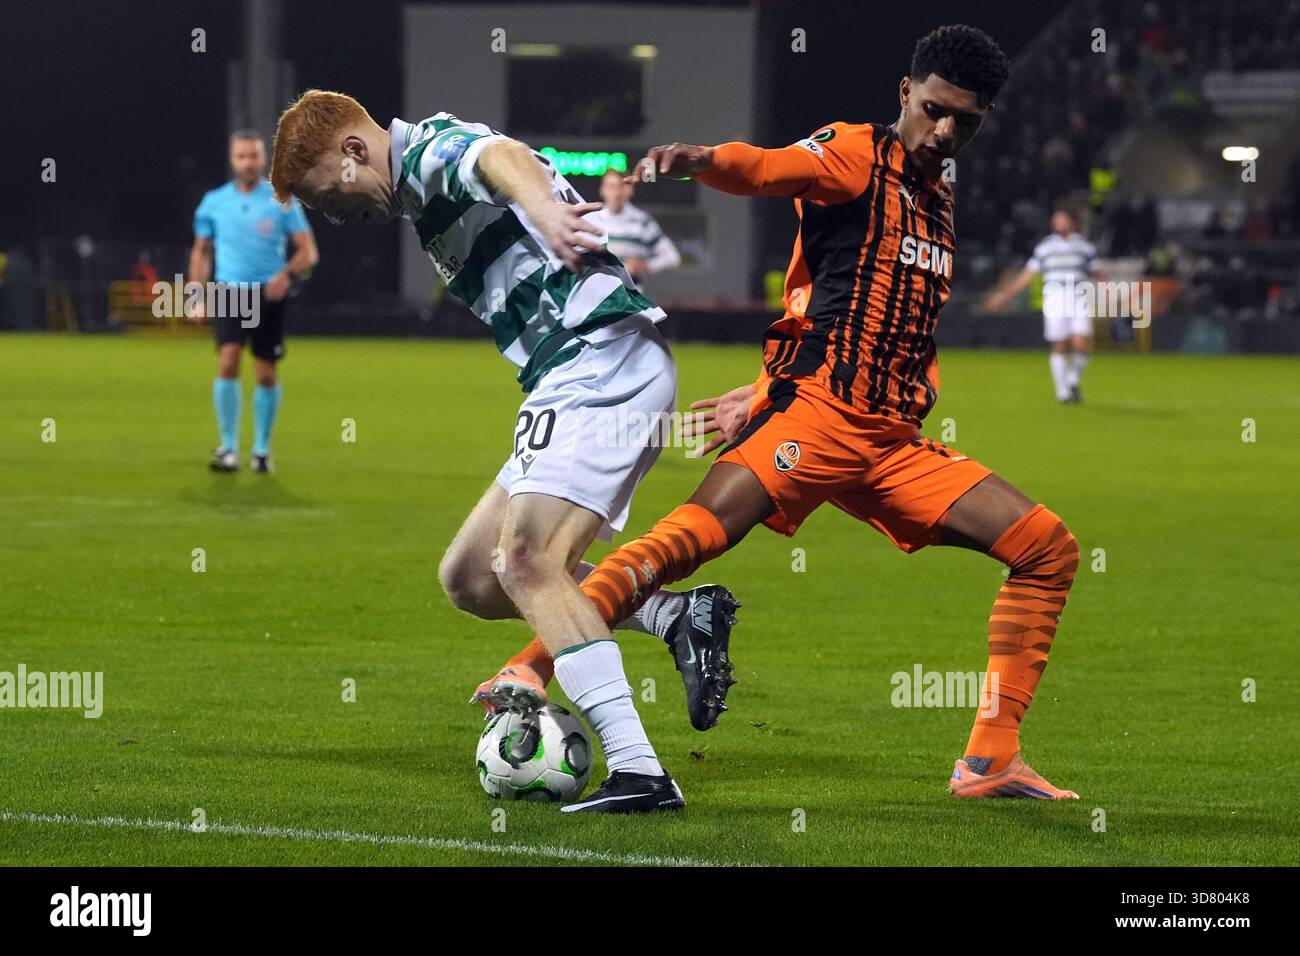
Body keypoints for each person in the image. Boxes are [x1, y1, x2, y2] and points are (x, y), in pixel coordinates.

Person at [486, 24, 1082, 801]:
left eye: (964, 120)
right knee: (685, 542)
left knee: (1047, 548)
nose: (945, 130)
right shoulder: (854, 152)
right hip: (821, 418)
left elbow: (862, 307)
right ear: (906, 92)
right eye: (935, 109)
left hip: (889, 440)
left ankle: (989, 759)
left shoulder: (940, 189)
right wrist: (704, 161)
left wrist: (764, 388)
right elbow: (769, 169)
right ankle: (529, 664)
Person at [269, 90, 740, 814]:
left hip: (597, 359)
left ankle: (640, 773)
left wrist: (546, 209)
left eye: (327, 195)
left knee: (526, 562)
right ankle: (675, 617)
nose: (334, 216)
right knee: (472, 578)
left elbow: (500, 157)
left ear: (356, 152)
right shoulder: (420, 188)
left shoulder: (427, 152)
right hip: (569, 375)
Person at [188, 130, 319, 473]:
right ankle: (228, 448)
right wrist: (195, 294)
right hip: (230, 291)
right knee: (228, 361)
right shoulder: (214, 202)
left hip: (268, 294)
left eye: (254, 156)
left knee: (265, 373)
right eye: (242, 157)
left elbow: (308, 252)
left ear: (264, 159)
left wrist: (287, 275)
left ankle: (261, 450)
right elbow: (201, 252)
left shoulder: (282, 201)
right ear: (232, 160)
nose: (248, 163)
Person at [982, 207, 1101, 403]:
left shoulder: (1084, 247)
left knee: (1081, 344)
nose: (1058, 223)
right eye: (1056, 219)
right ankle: (1063, 391)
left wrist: (1115, 291)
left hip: (1078, 295)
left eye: (1062, 219)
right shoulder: (1045, 247)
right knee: (1059, 344)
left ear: (1072, 222)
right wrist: (1006, 296)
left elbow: (1097, 271)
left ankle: (1072, 380)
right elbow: (1027, 276)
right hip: (1055, 295)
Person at [594, 168, 681, 289]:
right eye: (610, 186)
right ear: (602, 190)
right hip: (598, 294)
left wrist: (644, 266)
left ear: (629, 190)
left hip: (632, 297)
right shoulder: (593, 220)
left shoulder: (642, 222)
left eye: (620, 186)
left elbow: (672, 257)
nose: (615, 193)